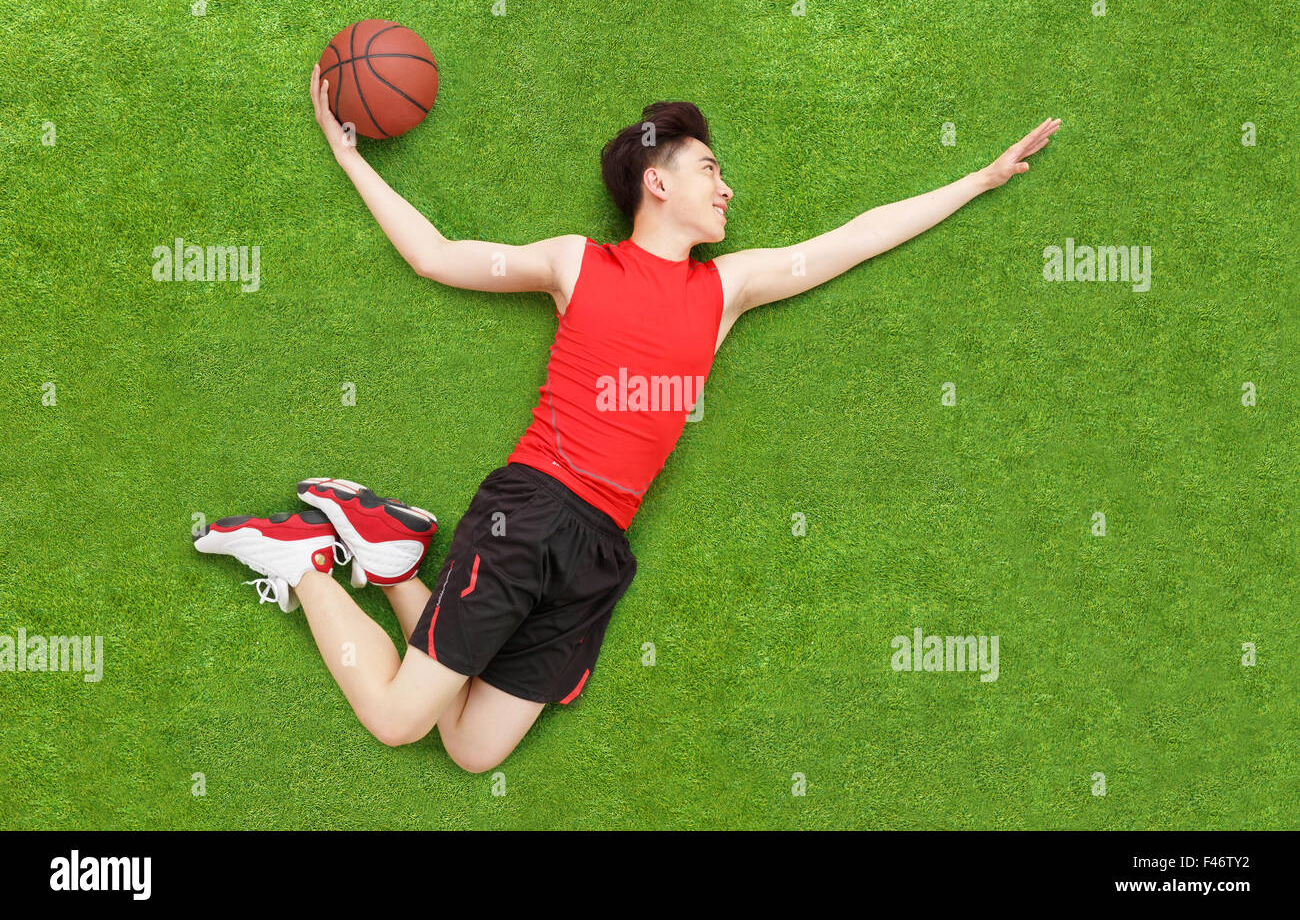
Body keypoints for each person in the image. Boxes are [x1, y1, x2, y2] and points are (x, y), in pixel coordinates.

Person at [194, 64, 1059, 773]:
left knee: (470, 746)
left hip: (603, 547)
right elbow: (434, 255)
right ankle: (305, 557)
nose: (728, 187)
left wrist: (978, 179)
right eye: (711, 169)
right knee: (396, 722)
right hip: (528, 513)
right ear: (657, 180)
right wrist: (349, 156)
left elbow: (853, 238)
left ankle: (387, 558)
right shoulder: (577, 263)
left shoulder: (726, 289)